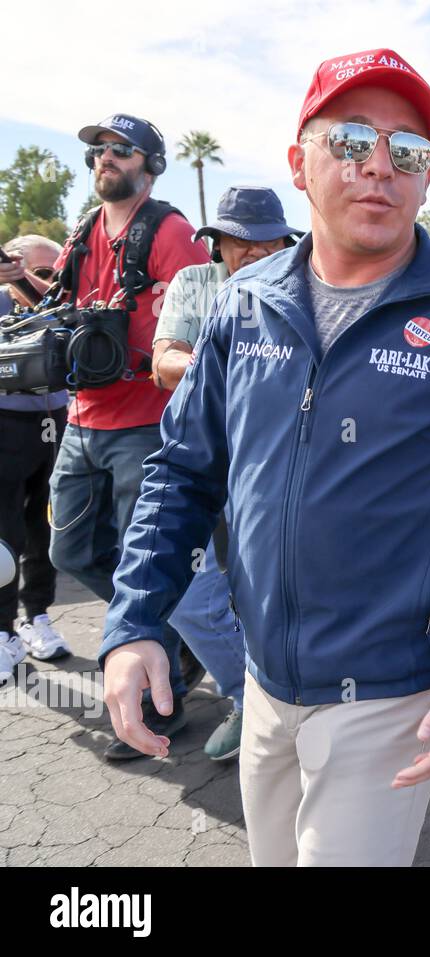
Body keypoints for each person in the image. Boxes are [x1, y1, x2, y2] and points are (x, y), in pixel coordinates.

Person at [100, 48, 430, 866]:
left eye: (409, 152)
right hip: (265, 679)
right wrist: (135, 616)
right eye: (353, 142)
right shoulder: (244, 305)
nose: (380, 169)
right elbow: (182, 472)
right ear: (299, 163)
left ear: (429, 179)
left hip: (391, 695)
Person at [16, 115, 213, 759]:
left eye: (120, 150)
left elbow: (207, 321)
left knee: (144, 561)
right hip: (82, 418)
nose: (105, 158)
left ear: (149, 164)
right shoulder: (83, 231)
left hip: (145, 421)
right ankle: (175, 640)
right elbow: (61, 306)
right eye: (98, 151)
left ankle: (162, 707)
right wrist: (16, 280)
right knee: (70, 552)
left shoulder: (171, 231)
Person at [149, 185, 303, 761]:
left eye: (266, 241)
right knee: (187, 597)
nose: (252, 252)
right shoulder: (196, 284)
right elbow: (164, 359)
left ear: (286, 240)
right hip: (201, 457)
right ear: (215, 245)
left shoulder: (306, 283)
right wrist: (219, 366)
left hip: (278, 464)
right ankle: (247, 695)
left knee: (266, 590)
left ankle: (282, 705)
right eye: (236, 240)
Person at [0, 236, 70, 671]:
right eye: (40, 271)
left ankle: (37, 616)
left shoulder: (59, 303)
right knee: (5, 535)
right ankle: (3, 631)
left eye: (53, 273)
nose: (47, 281)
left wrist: (36, 287)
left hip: (56, 425)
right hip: (6, 426)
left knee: (46, 531)